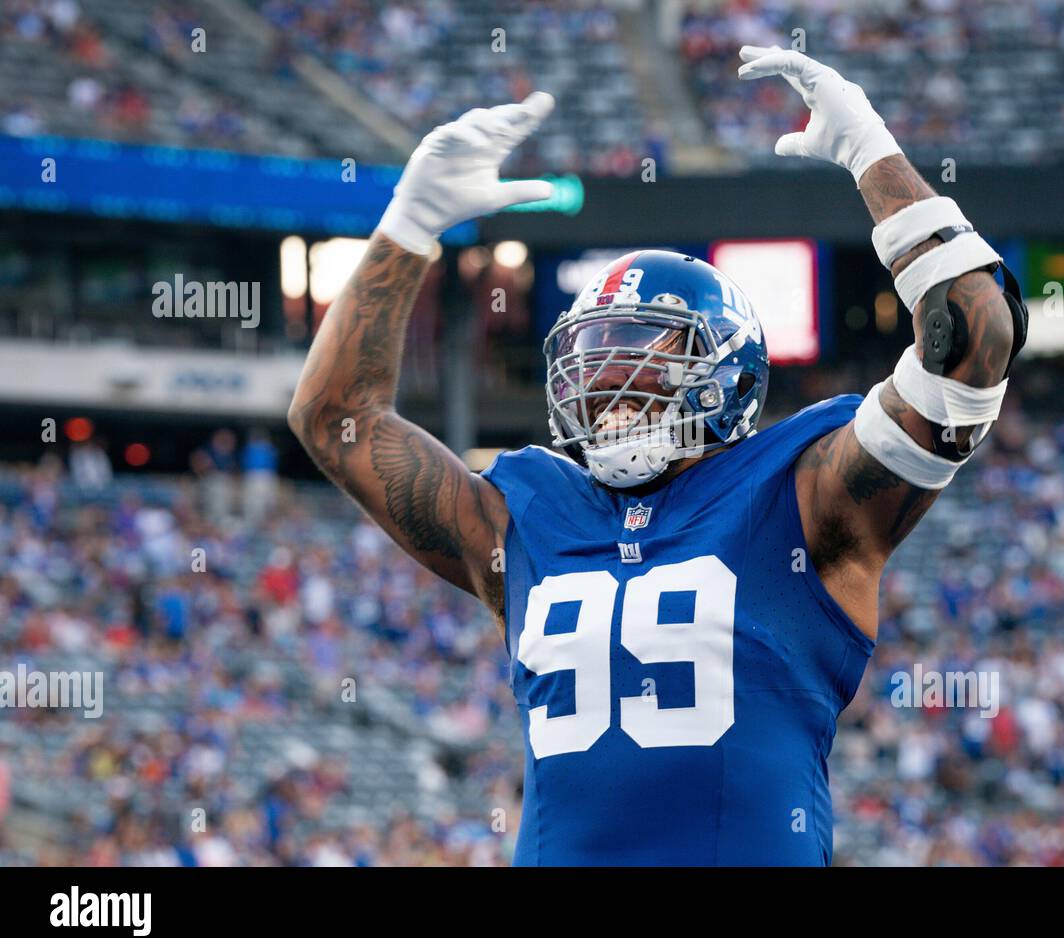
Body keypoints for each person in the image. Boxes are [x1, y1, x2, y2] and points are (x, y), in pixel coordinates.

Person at [288, 48, 1026, 866]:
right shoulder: (528, 515)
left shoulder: (804, 496)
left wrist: (872, 156)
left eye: (641, 359)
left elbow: (971, 335)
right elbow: (334, 418)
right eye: (594, 361)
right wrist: (407, 224)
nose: (608, 385)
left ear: (728, 374)